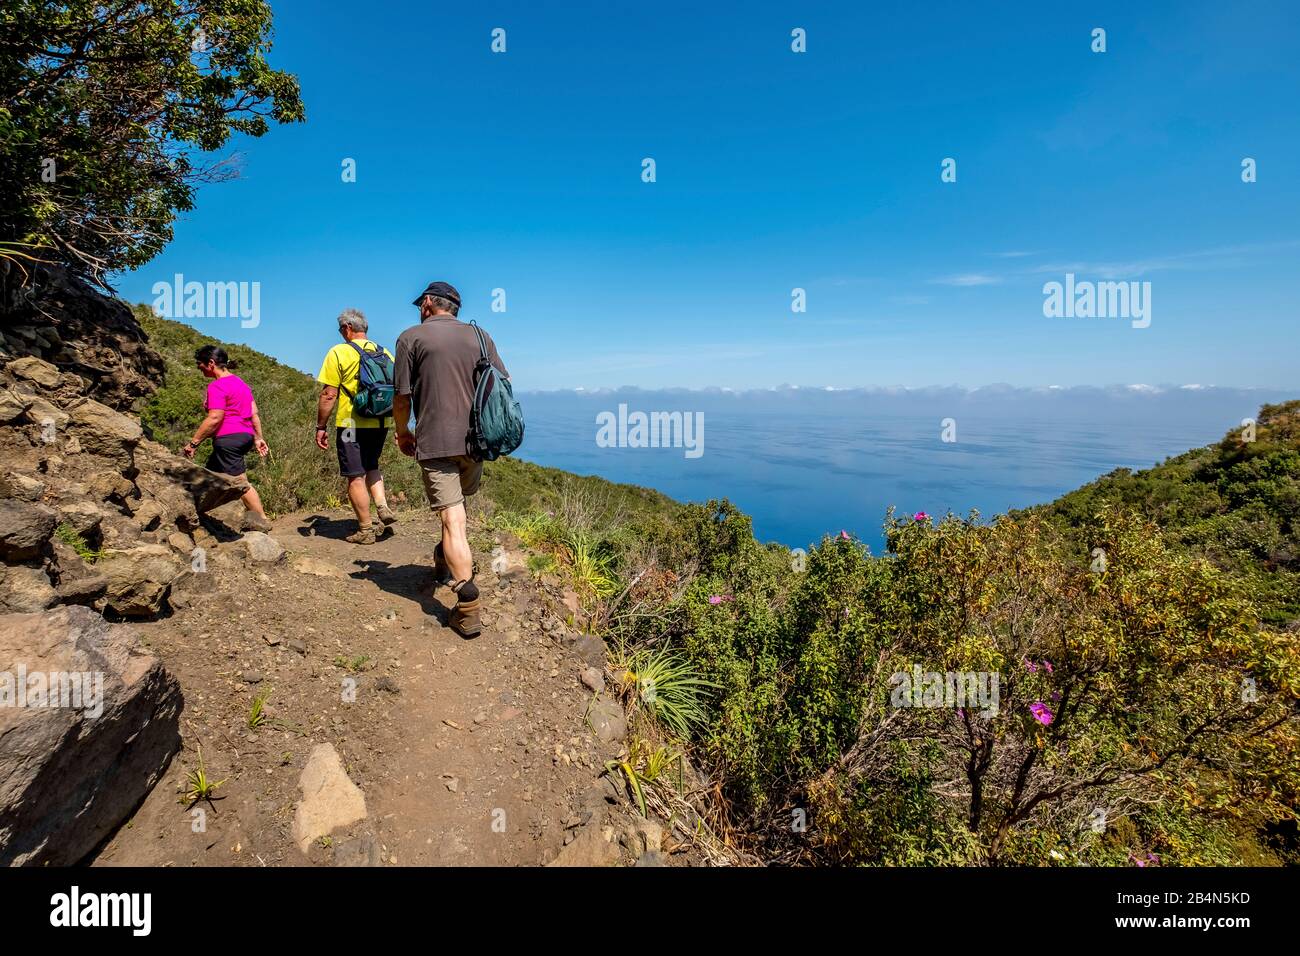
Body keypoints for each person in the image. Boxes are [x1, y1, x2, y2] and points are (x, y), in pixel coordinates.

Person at [394, 281, 509, 638]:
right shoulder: (480, 336)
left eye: (420, 303)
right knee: (458, 509)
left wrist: (402, 432)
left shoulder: (410, 338)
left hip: (436, 441)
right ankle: (445, 557)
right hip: (477, 442)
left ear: (428, 303)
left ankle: (467, 603)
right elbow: (501, 383)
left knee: (452, 520)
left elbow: (401, 397)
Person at [316, 308, 398, 544]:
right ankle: (382, 506)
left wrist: (321, 426)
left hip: (351, 422)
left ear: (348, 328)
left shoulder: (339, 351)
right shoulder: (385, 352)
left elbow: (329, 394)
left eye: (341, 329)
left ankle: (365, 529)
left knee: (355, 475)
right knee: (372, 464)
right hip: (382, 420)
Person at [183, 345, 270, 529]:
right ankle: (204, 519)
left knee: (241, 483)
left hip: (228, 439)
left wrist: (194, 442)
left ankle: (263, 521)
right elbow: (253, 414)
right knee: (209, 476)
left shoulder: (217, 385)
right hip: (244, 436)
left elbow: (215, 417)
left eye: (201, 365)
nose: (200, 369)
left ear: (211, 363)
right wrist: (257, 438)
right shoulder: (241, 384)